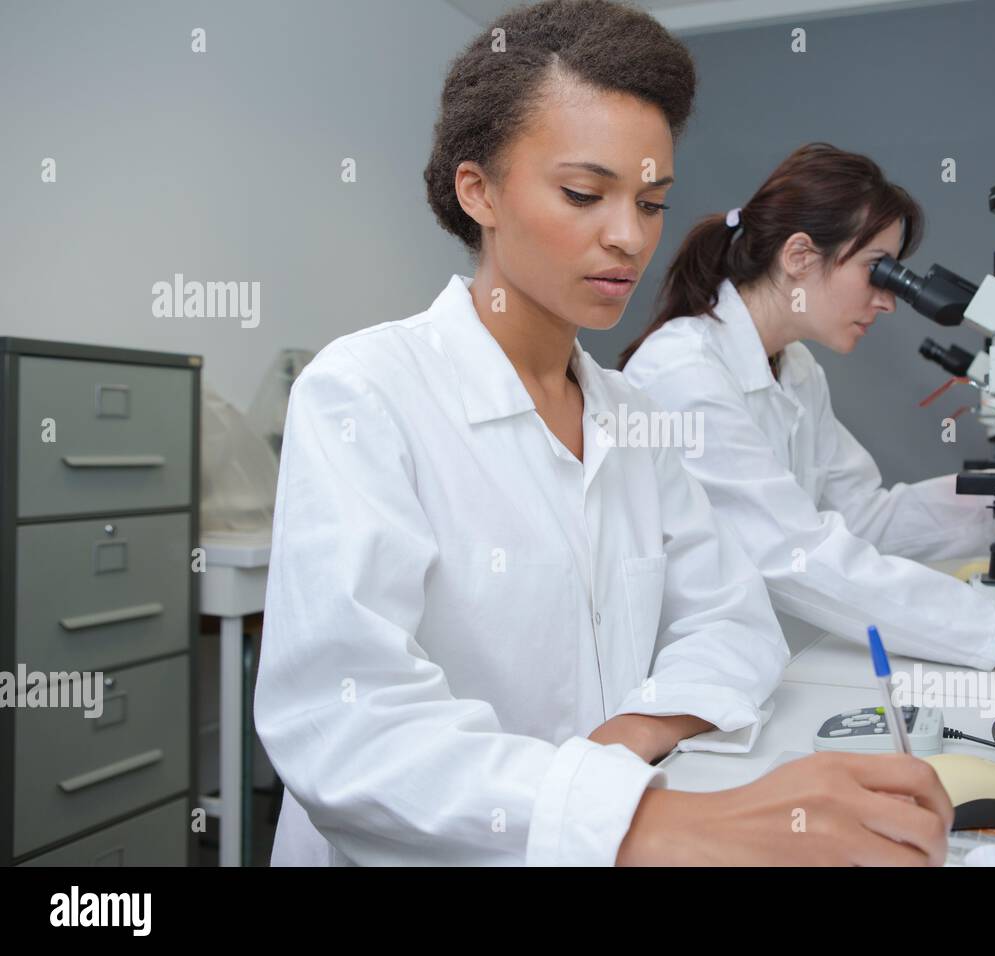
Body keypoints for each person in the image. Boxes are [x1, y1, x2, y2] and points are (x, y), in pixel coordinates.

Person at [254, 2, 952, 866]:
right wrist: (642, 820)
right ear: (480, 191)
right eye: (584, 194)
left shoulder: (629, 415)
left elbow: (736, 624)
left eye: (651, 201)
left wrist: (619, 747)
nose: (629, 236)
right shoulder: (365, 393)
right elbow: (346, 729)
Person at [620, 143, 995, 674]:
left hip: (768, 663)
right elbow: (794, 556)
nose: (887, 300)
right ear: (798, 257)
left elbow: (862, 517)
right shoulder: (685, 373)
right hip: (686, 682)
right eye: (877, 271)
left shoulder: (794, 369)